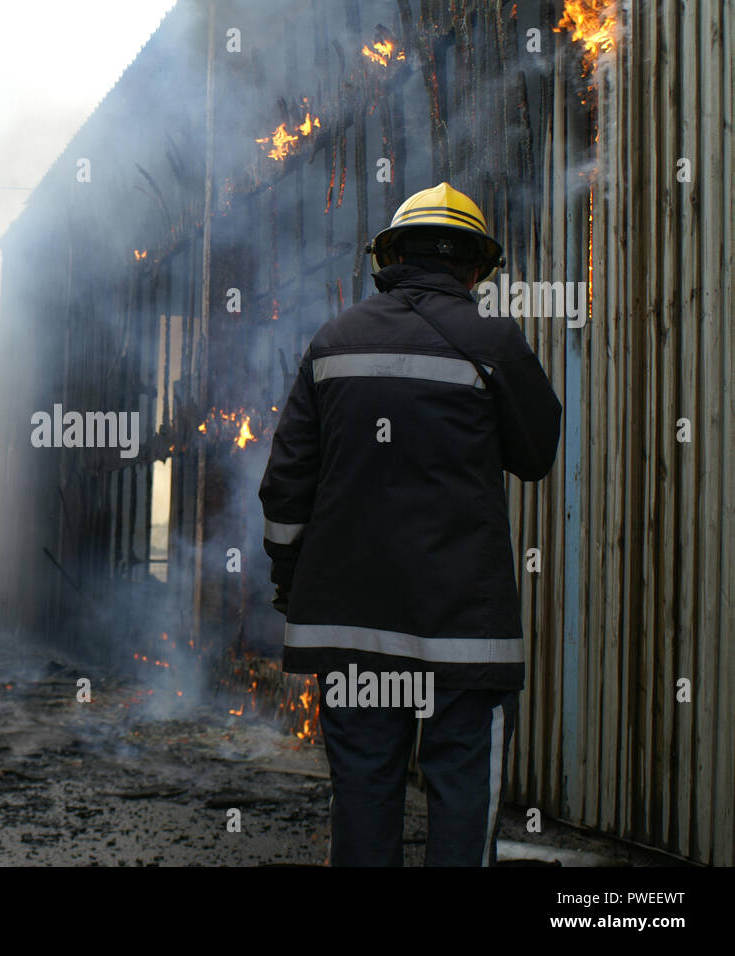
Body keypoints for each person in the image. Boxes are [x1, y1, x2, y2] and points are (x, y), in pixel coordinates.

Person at [258, 182, 562, 866]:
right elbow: (537, 455)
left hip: (350, 626)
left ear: (389, 256)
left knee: (364, 791)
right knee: (462, 795)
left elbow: (285, 489)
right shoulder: (494, 342)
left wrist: (290, 579)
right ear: (475, 268)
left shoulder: (333, 340)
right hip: (464, 634)